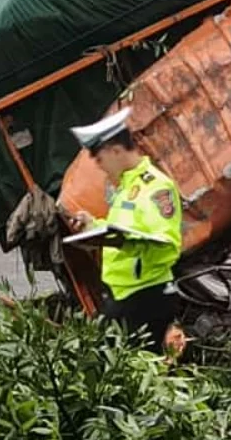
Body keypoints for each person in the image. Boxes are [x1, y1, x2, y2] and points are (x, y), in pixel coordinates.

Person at [65, 109, 183, 351]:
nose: (100, 167)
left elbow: (168, 247)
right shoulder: (127, 187)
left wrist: (124, 242)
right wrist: (93, 226)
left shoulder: (157, 188)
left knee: (133, 376)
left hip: (147, 298)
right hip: (123, 296)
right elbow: (126, 229)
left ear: (115, 151)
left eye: (99, 160)